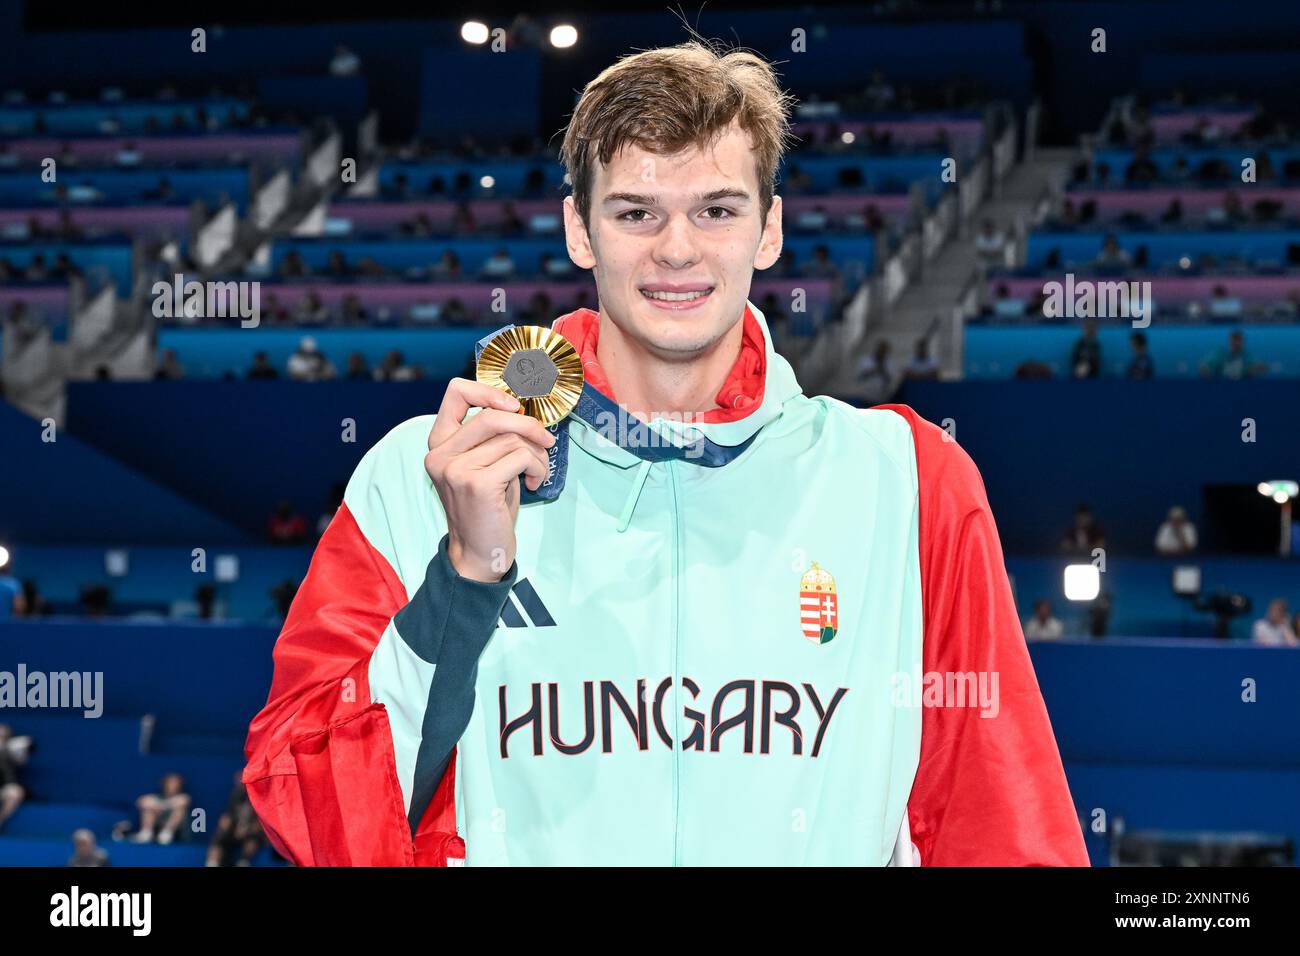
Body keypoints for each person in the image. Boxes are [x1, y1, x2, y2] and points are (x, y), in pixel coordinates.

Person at [243, 37, 1086, 868]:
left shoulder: (907, 483)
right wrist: (462, 580)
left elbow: (998, 827)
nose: (676, 249)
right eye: (636, 212)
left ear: (769, 230)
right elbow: (312, 813)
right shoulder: (425, 472)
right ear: (580, 229)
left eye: (716, 210)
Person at [131, 773, 191, 844]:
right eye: (170, 783)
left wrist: (159, 806)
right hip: (158, 824)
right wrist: (157, 806)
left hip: (176, 830)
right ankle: (146, 834)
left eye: (175, 783)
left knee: (180, 810)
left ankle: (166, 834)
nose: (173, 786)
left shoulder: (184, 797)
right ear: (165, 784)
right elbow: (141, 802)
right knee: (148, 809)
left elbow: (184, 801)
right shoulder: (156, 796)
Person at [1200, 329, 1266, 380]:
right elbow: (1205, 365)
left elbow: (1262, 366)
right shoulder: (1220, 353)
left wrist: (1253, 369)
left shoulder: (1247, 355)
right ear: (1230, 341)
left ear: (1243, 342)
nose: (1236, 343)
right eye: (1234, 340)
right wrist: (1206, 369)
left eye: (1239, 340)